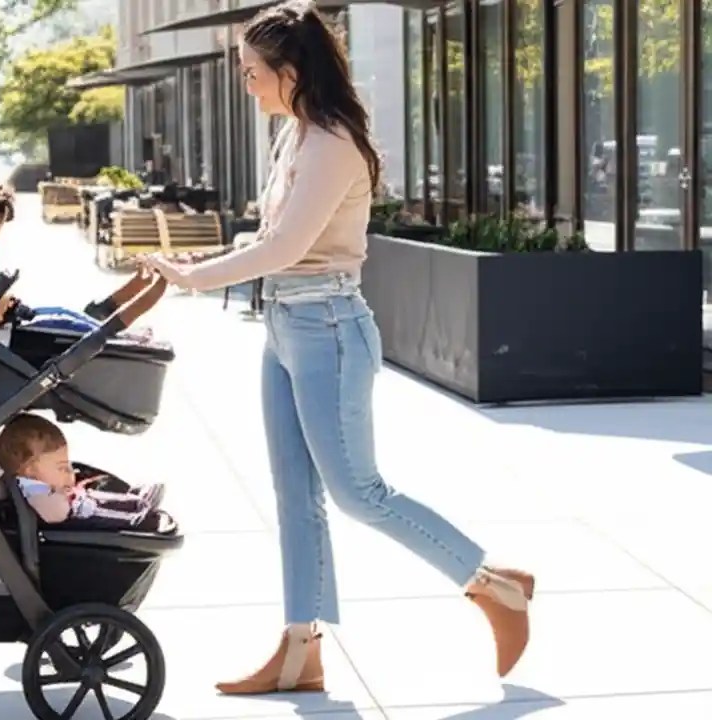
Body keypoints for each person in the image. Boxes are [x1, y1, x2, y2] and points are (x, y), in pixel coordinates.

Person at [140, 0, 534, 695]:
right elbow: (280, 239)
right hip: (286, 326)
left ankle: (493, 583)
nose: (247, 83)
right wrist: (231, 258)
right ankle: (300, 651)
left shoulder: (331, 142)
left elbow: (288, 246)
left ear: (290, 71)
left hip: (328, 328)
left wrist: (196, 275)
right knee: (295, 494)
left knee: (358, 493)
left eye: (252, 71)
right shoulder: (293, 135)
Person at [0, 176, 154, 335]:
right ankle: (113, 337)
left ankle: (115, 335)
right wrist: (2, 301)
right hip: (7, 335)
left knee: (64, 314)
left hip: (15, 321)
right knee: (65, 325)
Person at [0, 413, 166, 529]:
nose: (70, 473)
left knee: (92, 497)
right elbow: (56, 514)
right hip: (79, 515)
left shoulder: (30, 484)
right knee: (100, 511)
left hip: (78, 503)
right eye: (62, 468)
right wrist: (62, 498)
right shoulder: (35, 493)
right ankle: (138, 514)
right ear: (30, 471)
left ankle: (133, 500)